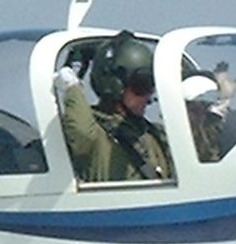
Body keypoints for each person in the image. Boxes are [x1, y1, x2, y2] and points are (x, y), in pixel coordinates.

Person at [55, 31, 173, 182]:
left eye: (151, 86)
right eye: (142, 86)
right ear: (115, 86)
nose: (147, 96)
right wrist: (73, 88)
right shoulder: (97, 134)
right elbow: (81, 131)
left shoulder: (153, 134)